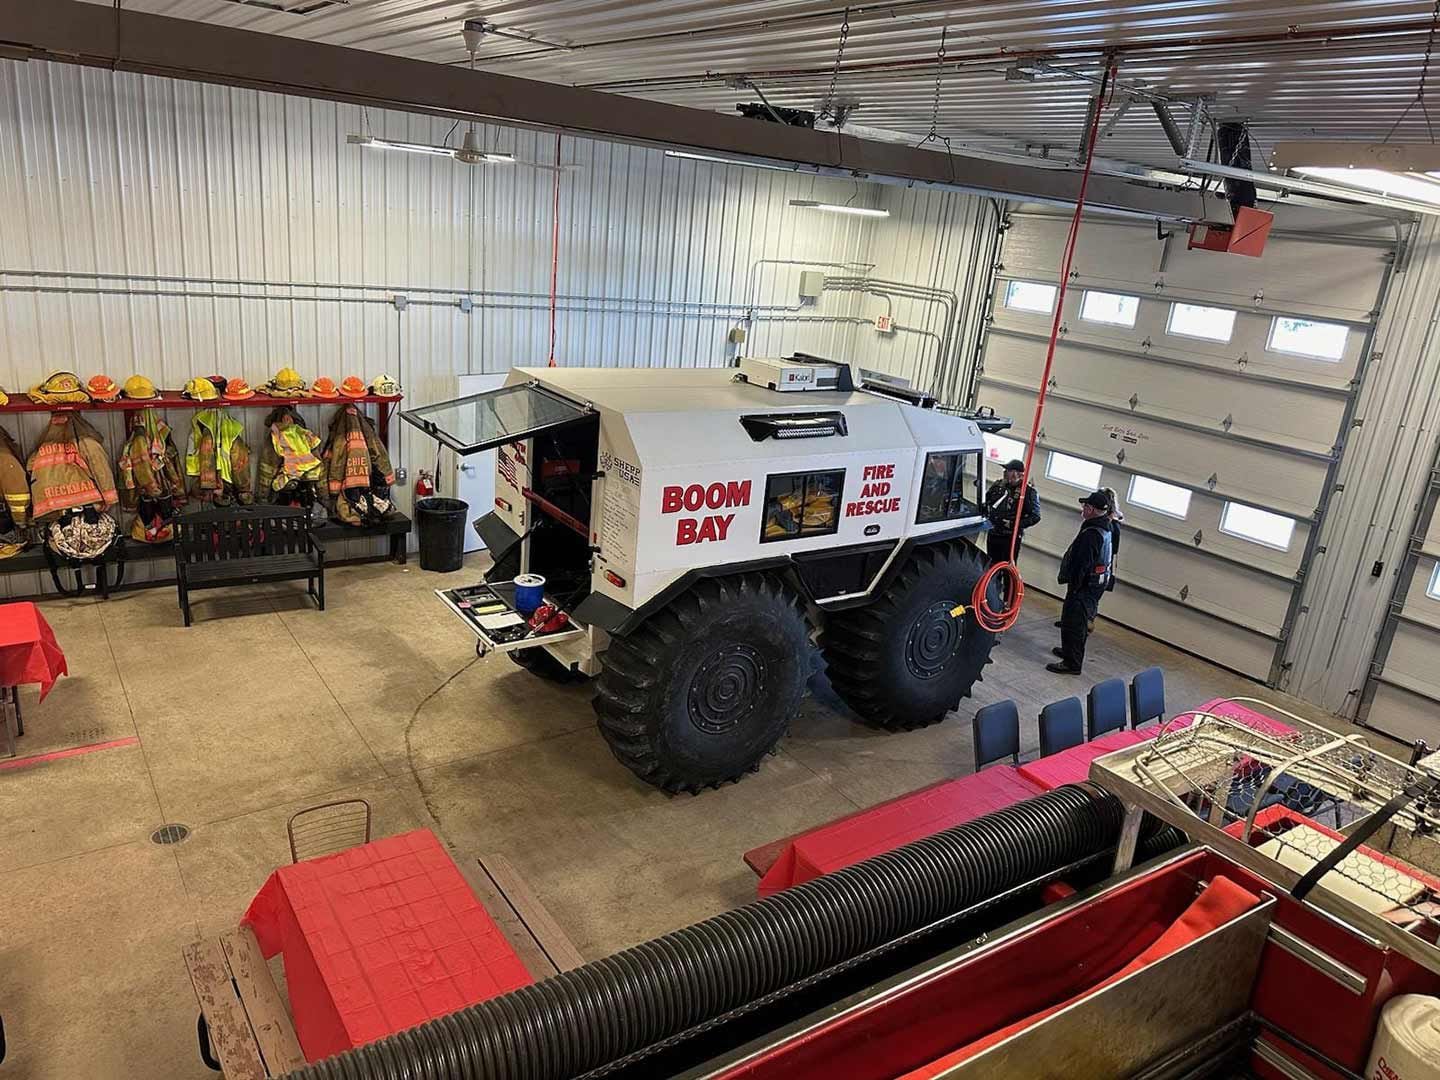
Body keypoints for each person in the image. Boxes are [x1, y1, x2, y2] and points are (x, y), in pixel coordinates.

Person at [1047, 489, 1115, 675]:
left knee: (1074, 623)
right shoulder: (1105, 527)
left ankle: (1072, 663)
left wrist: (1074, 586)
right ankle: (1069, 651)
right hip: (1094, 585)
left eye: (1085, 506)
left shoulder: (1091, 533)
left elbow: (1082, 563)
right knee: (1075, 622)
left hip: (1084, 587)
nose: (1082, 508)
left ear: (1091, 509)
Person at [984, 458, 1041, 567]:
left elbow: (1035, 516)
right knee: (990, 565)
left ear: (1017, 474)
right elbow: (986, 501)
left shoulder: (1028, 492)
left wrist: (1014, 524)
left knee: (1006, 567)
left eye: (1009, 470)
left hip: (1010, 538)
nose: (1005, 472)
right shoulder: (998, 485)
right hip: (993, 532)